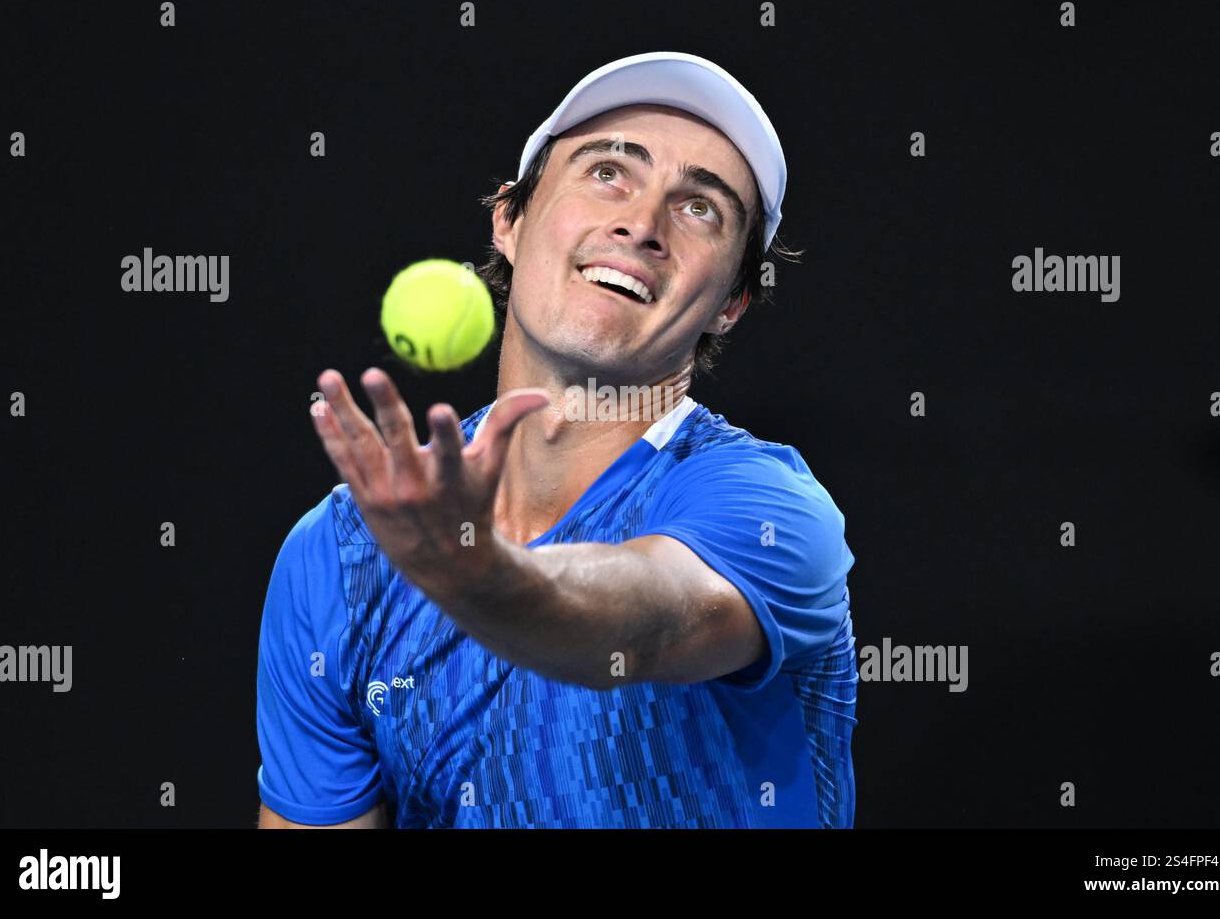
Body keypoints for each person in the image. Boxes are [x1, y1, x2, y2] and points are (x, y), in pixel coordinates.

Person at [256, 51, 858, 828]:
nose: (642, 223)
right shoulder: (336, 555)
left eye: (700, 207)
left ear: (732, 304)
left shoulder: (775, 510)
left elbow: (650, 619)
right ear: (509, 219)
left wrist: (481, 578)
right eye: (609, 171)